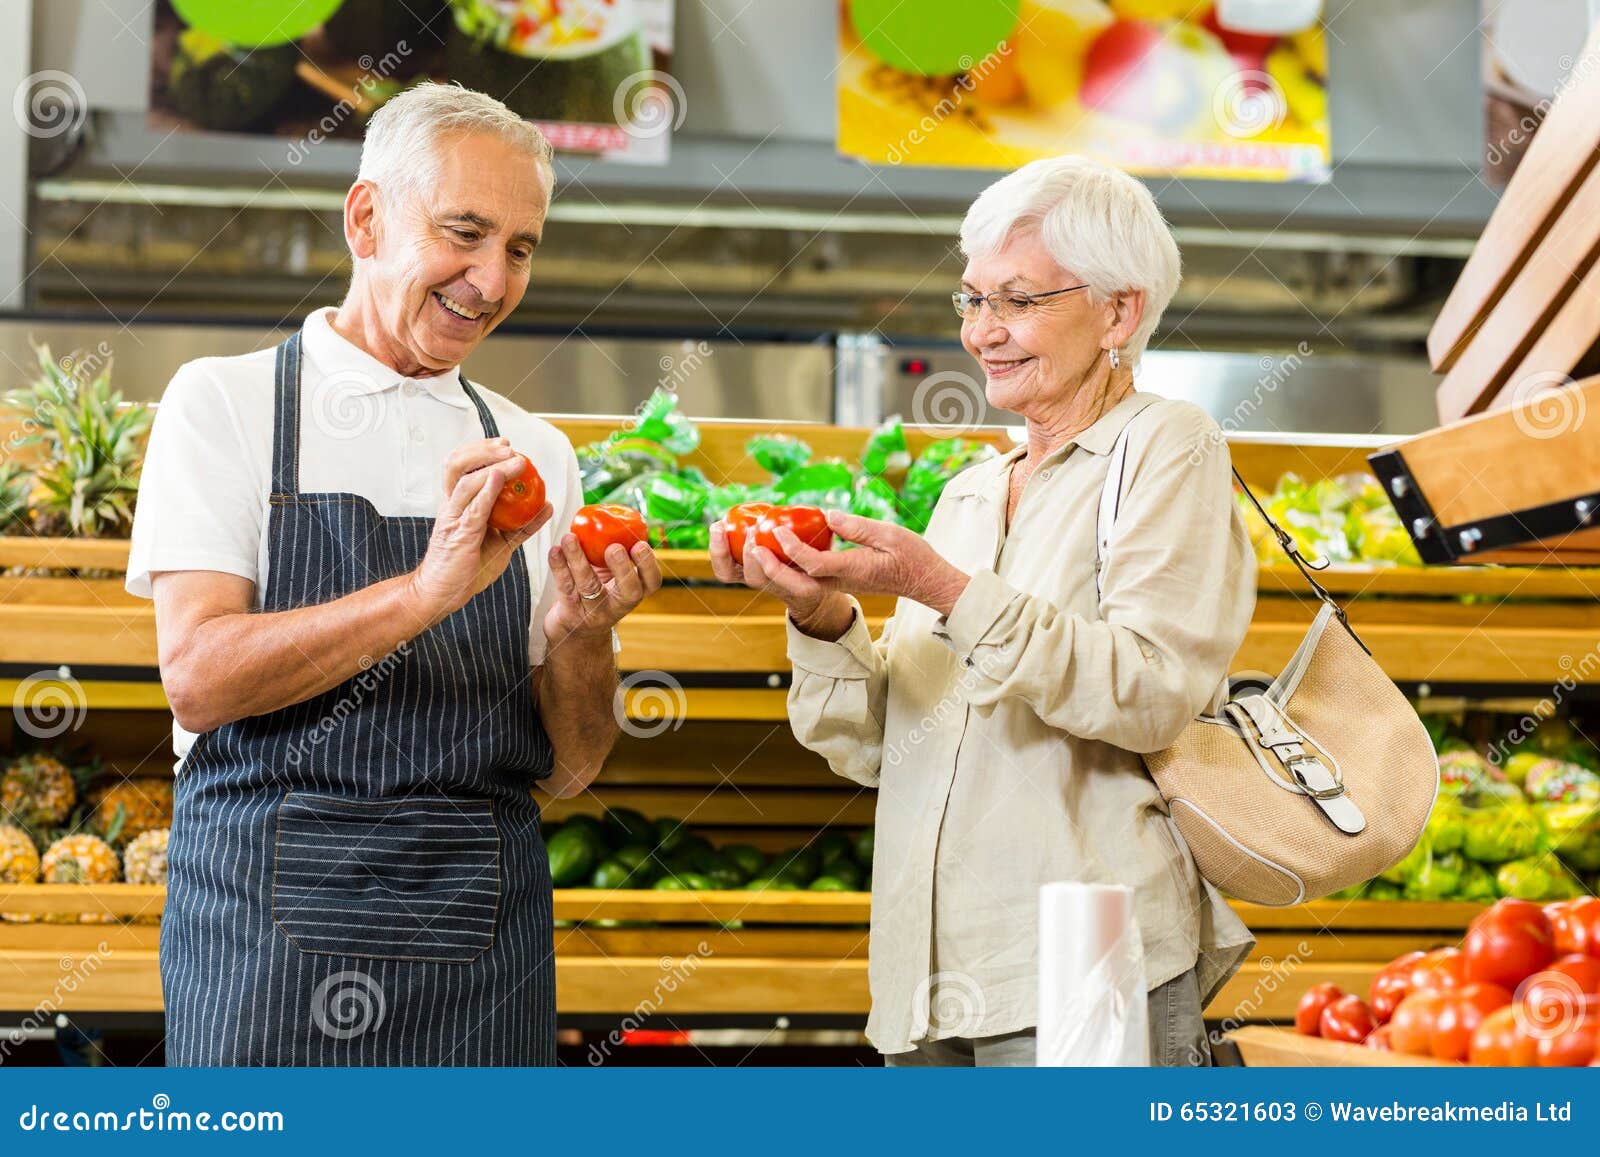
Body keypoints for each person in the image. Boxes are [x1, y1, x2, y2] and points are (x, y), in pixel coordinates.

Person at [127, 83, 661, 1066]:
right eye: (463, 232)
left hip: (479, 958)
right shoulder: (228, 405)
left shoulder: (533, 450)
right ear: (366, 219)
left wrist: (587, 633)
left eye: (521, 247)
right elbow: (199, 677)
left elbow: (575, 764)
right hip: (265, 956)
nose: (491, 280)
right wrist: (427, 590)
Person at [710, 155, 1257, 1067]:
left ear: (1118, 310)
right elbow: (884, 747)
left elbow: (1152, 691)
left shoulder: (1168, 445)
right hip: (926, 977)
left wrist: (941, 588)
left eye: (1017, 301)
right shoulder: (970, 491)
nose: (983, 332)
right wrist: (822, 617)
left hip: (1085, 960)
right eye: (971, 300)